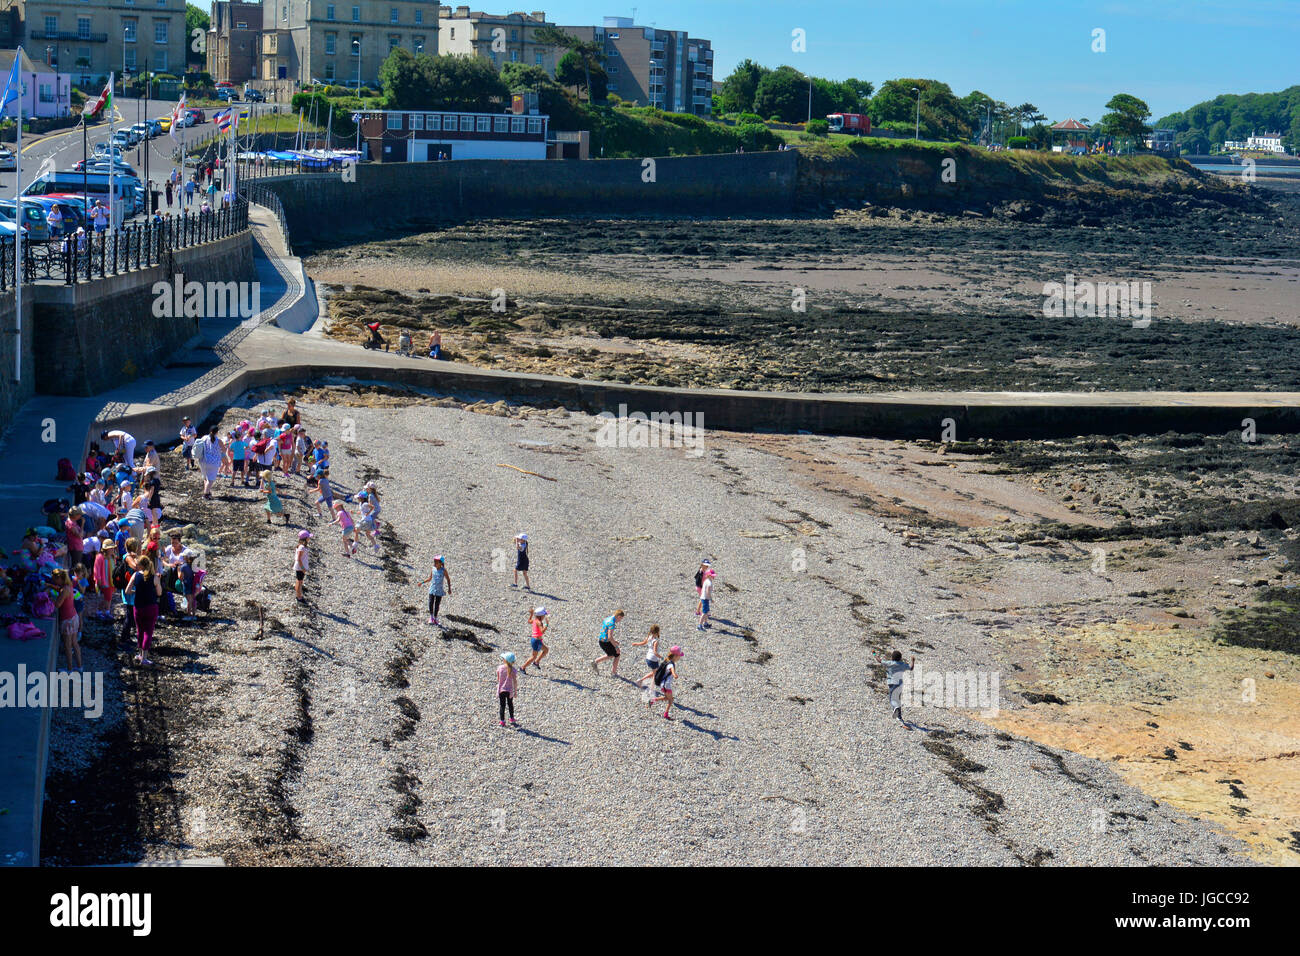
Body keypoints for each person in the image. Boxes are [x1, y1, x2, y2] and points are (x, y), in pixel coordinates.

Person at [126, 556, 162, 666]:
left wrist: (136, 591)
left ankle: (140, 654)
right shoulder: (154, 577)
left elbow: (127, 591)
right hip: (151, 607)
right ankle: (144, 658)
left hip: (138, 607)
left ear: (141, 565)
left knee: (140, 630)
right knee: (148, 631)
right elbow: (159, 593)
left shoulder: (135, 575)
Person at [51, 569, 82, 672]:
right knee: (74, 643)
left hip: (67, 620)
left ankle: (69, 669)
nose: (54, 581)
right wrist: (49, 585)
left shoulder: (64, 590)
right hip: (74, 617)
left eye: (55, 579)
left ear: (60, 578)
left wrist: (50, 597)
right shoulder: (68, 586)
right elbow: (58, 589)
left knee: (67, 646)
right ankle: (79, 666)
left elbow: (58, 604)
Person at [648, 647, 684, 720]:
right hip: (666, 685)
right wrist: (674, 674)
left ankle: (653, 700)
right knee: (670, 700)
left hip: (663, 685)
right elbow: (672, 669)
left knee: (668, 698)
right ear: (675, 656)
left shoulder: (667, 660)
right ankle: (666, 714)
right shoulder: (671, 664)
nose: (680, 657)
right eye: (679, 656)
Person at [590, 609, 625, 677]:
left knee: (611, 655)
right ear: (618, 616)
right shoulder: (612, 623)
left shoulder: (608, 618)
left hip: (601, 640)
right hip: (605, 642)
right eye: (620, 619)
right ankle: (613, 673)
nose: (620, 621)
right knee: (617, 654)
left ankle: (595, 662)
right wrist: (616, 647)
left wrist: (614, 642)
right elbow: (609, 637)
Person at [419, 554, 451, 625]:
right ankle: (431, 617)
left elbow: (448, 579)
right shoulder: (433, 569)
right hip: (432, 589)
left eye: (436, 562)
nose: (435, 564)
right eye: (434, 562)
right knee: (430, 602)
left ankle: (435, 618)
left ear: (441, 563)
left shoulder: (443, 570)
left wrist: (449, 589)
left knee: (437, 604)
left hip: (439, 590)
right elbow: (430, 578)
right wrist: (422, 582)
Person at [886, 650, 915, 724]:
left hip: (892, 684)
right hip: (900, 685)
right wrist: (912, 661)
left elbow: (879, 661)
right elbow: (911, 668)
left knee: (892, 698)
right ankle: (899, 717)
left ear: (892, 657)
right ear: (900, 658)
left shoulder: (889, 663)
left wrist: (874, 654)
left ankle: (896, 710)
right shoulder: (902, 664)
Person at [92, 539, 117, 621]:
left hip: (111, 581)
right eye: (111, 548)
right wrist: (97, 579)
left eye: (113, 548)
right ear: (106, 549)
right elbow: (96, 569)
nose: (113, 549)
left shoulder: (113, 557)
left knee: (108, 597)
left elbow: (115, 568)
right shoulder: (100, 557)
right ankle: (102, 611)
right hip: (104, 581)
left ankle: (105, 611)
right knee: (108, 597)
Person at [195, 425, 223, 498]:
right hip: (214, 462)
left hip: (203, 460)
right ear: (217, 432)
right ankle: (206, 494)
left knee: (205, 478)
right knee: (211, 479)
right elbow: (224, 450)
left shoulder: (204, 438)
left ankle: (207, 491)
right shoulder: (219, 440)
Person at [519, 607, 549, 674]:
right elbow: (542, 632)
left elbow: (529, 621)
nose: (544, 616)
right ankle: (523, 667)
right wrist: (547, 624)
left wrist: (531, 614)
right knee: (533, 656)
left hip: (536, 640)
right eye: (544, 615)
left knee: (546, 650)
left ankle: (536, 662)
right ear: (541, 616)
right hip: (537, 641)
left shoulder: (535, 620)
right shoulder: (539, 623)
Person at [496, 652, 519, 727]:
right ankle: (512, 718)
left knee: (502, 705)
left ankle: (502, 721)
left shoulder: (500, 668)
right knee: (510, 704)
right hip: (510, 691)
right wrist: (515, 692)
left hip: (501, 690)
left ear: (505, 660)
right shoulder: (514, 670)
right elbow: (515, 682)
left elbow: (498, 679)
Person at [294, 531, 312, 602]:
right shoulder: (301, 547)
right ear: (305, 538)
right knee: (300, 581)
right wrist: (303, 568)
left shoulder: (301, 546)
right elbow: (299, 558)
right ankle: (299, 596)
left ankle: (298, 594)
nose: (309, 539)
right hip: (300, 567)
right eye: (308, 537)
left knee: (299, 581)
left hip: (300, 566)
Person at [697, 567, 715, 631]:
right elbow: (707, 591)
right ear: (708, 575)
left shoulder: (706, 581)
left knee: (707, 611)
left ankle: (705, 623)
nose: (713, 577)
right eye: (712, 576)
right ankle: (699, 625)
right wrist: (711, 599)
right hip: (705, 598)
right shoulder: (709, 583)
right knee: (704, 612)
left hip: (703, 597)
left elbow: (703, 590)